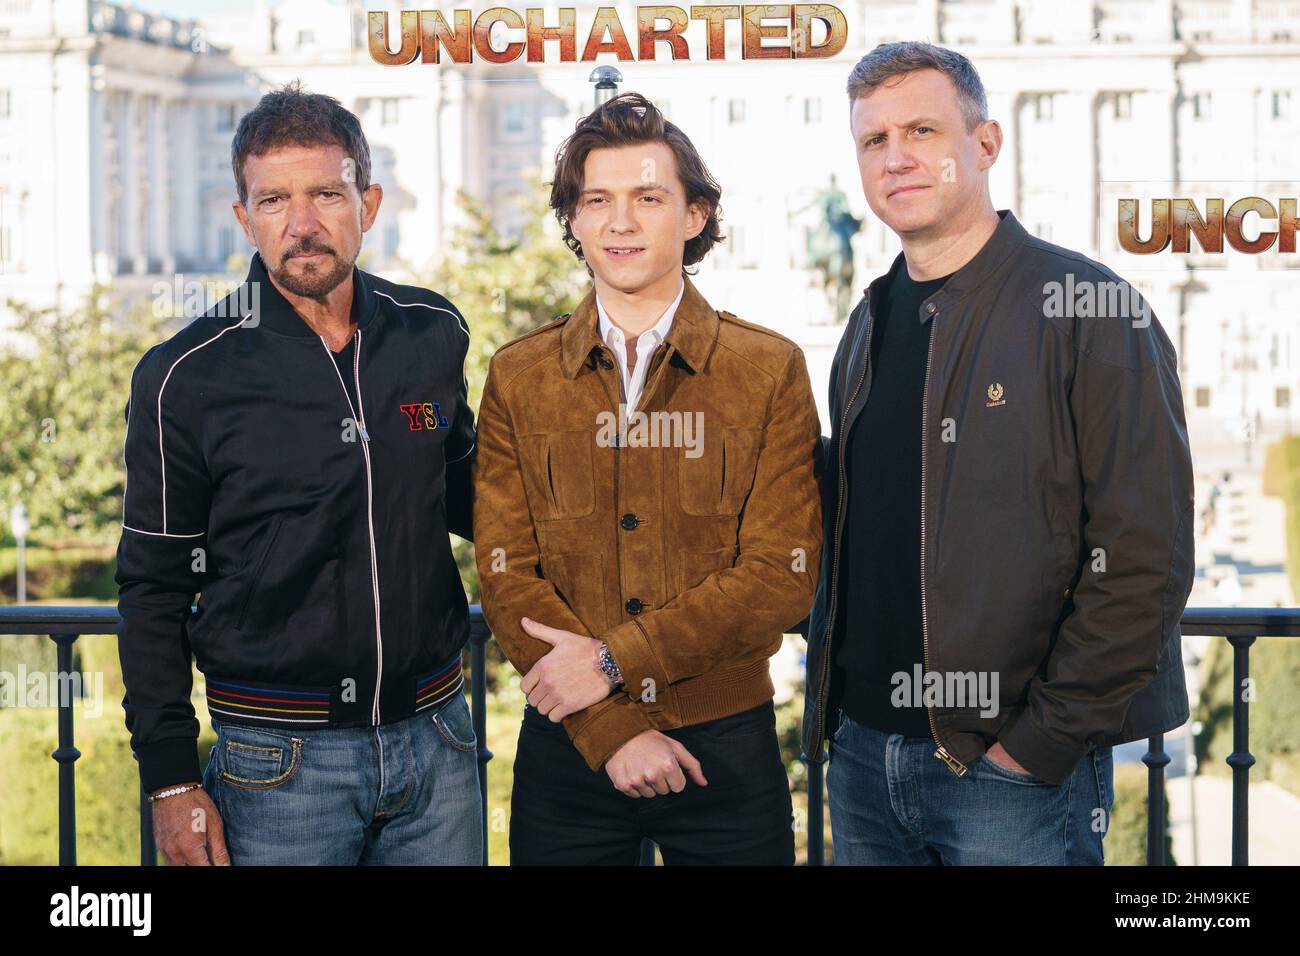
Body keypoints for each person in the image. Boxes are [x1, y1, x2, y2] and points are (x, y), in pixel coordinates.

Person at [801, 42, 1195, 865]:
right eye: (874, 141)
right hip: (865, 761)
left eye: (922, 130)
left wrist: (1038, 745)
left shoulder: (1091, 311)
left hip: (1008, 776)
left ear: (984, 146)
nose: (897, 157)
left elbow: (1144, 558)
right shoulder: (866, 322)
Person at [115, 82, 481, 865]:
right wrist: (171, 781)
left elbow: (481, 501)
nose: (303, 223)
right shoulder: (185, 376)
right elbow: (151, 588)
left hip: (441, 742)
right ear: (244, 217)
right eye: (274, 199)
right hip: (276, 770)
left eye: (326, 192)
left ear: (369, 202)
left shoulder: (433, 333)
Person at [473, 93, 822, 865]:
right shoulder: (518, 376)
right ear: (574, 221)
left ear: (694, 215)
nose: (619, 222)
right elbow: (506, 575)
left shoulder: (768, 370)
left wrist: (609, 663)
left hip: (727, 754)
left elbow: (779, 578)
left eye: (647, 198)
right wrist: (609, 727)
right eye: (595, 200)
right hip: (568, 751)